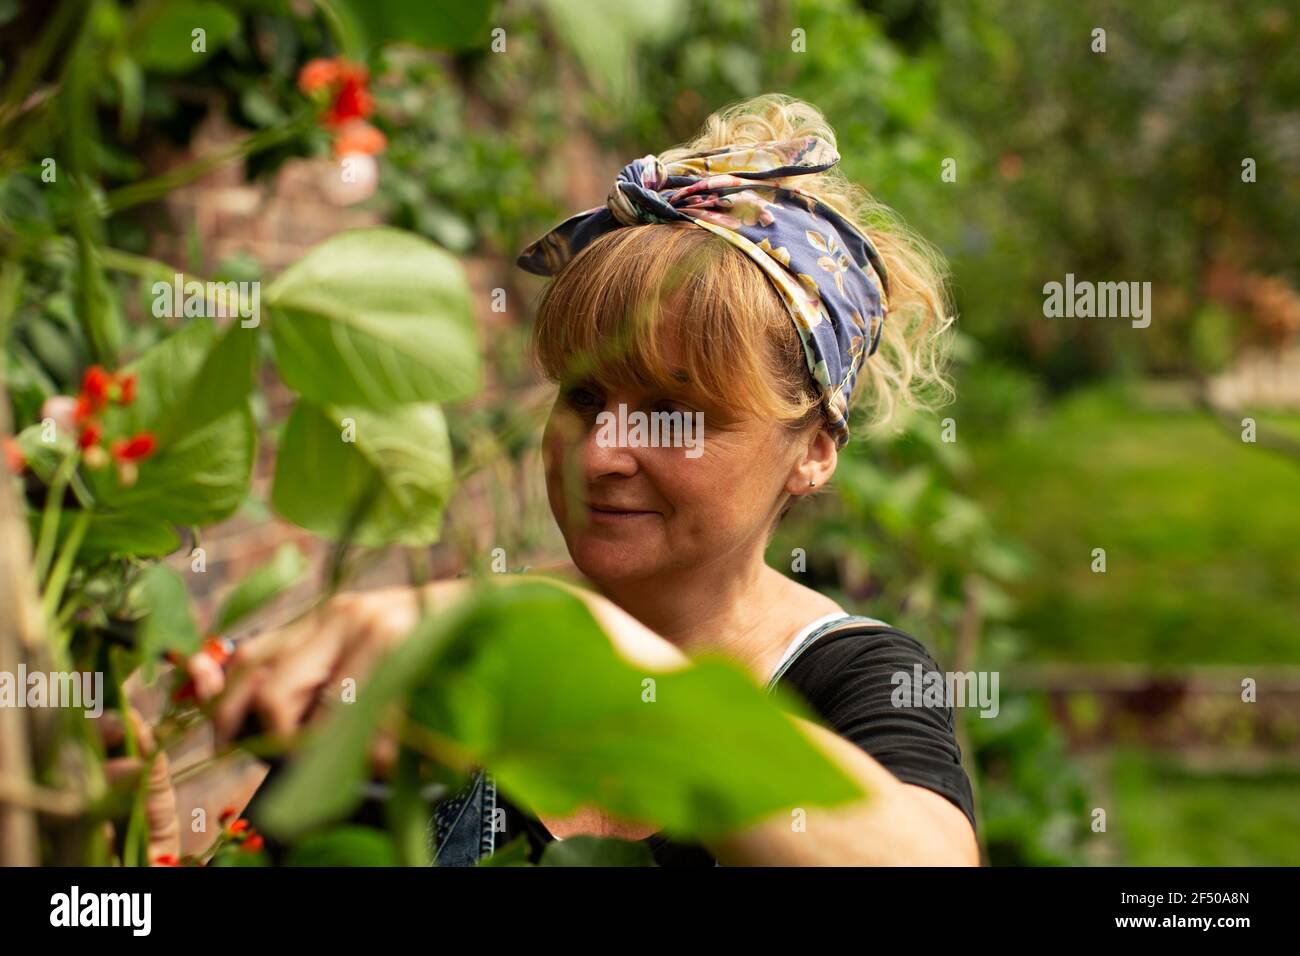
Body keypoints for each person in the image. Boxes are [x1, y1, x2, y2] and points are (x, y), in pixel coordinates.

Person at [195, 94, 978, 866]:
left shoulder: (855, 682)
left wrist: (606, 659)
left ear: (812, 448)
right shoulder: (444, 658)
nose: (601, 454)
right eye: (582, 396)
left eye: (676, 412)